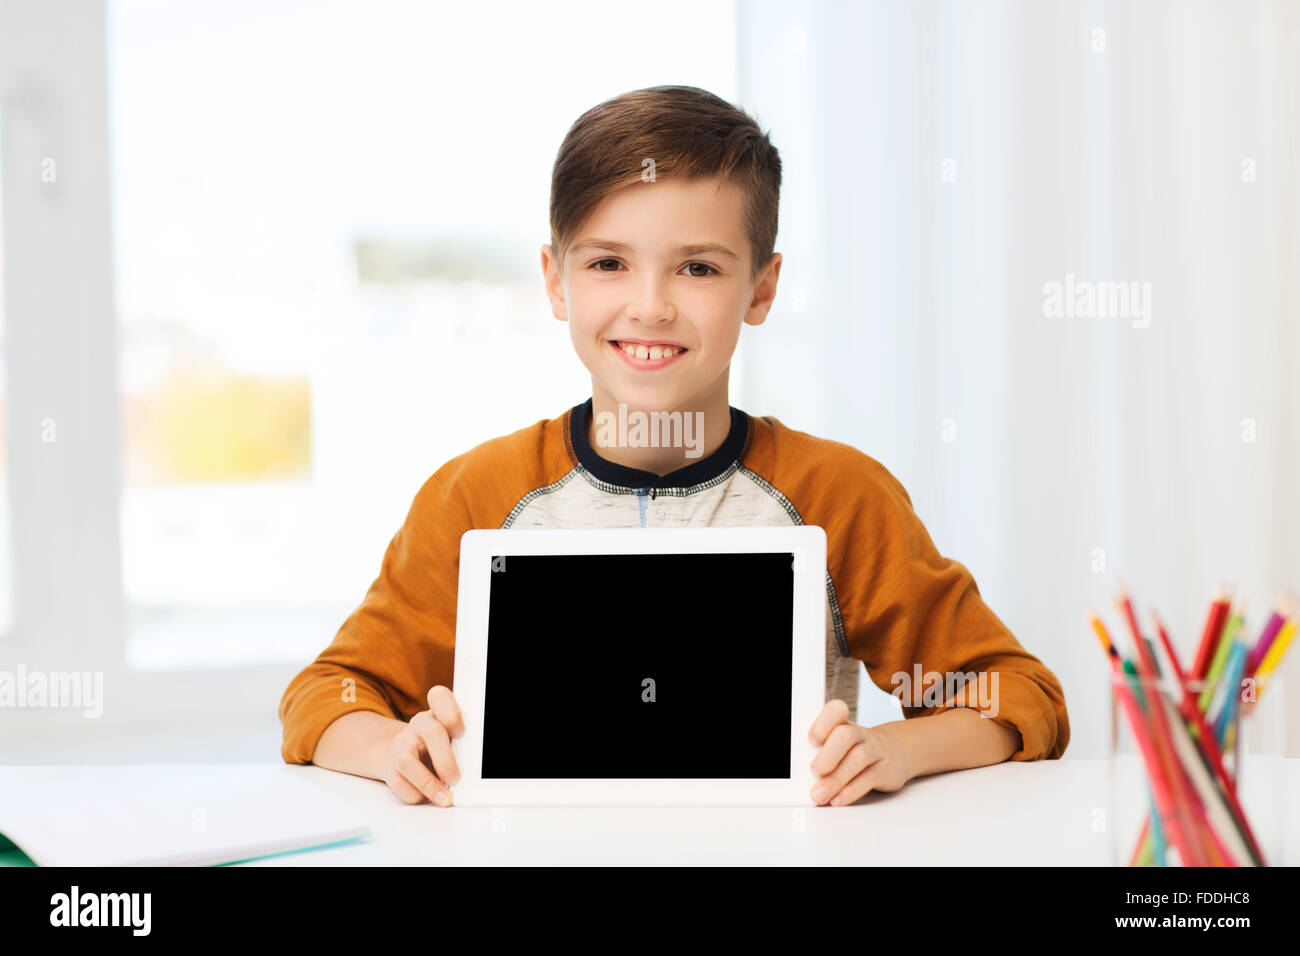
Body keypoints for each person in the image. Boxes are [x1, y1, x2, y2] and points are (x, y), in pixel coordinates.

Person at [279, 85, 1069, 808]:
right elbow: (329, 696)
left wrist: (895, 748)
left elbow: (1015, 694)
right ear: (556, 282)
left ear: (761, 288)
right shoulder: (476, 495)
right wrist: (395, 748)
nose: (649, 306)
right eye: (608, 264)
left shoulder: (839, 495)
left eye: (697, 267)